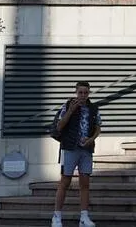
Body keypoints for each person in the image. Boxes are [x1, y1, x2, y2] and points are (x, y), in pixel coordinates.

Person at [52, 81, 102, 227]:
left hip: (86, 149)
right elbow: (59, 126)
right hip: (69, 148)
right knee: (65, 181)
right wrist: (71, 111)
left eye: (86, 92)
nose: (83, 95)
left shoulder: (93, 108)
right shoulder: (67, 106)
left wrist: (91, 139)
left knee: (85, 182)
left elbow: (98, 127)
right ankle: (56, 216)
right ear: (76, 92)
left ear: (89, 93)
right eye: (80, 92)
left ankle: (84, 217)